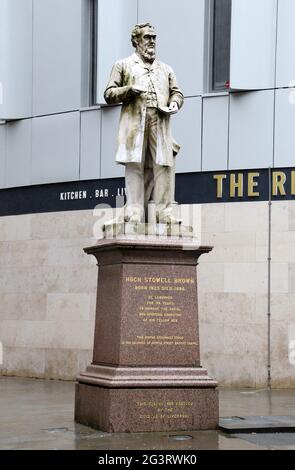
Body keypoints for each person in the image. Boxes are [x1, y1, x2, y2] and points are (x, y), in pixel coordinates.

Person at [104, 23, 184, 224]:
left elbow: (177, 92)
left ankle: (164, 213)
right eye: (147, 37)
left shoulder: (165, 69)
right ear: (136, 41)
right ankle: (134, 211)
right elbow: (109, 94)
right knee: (135, 165)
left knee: (163, 165)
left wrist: (174, 103)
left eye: (154, 37)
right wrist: (129, 90)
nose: (152, 41)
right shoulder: (123, 65)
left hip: (160, 119)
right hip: (134, 123)